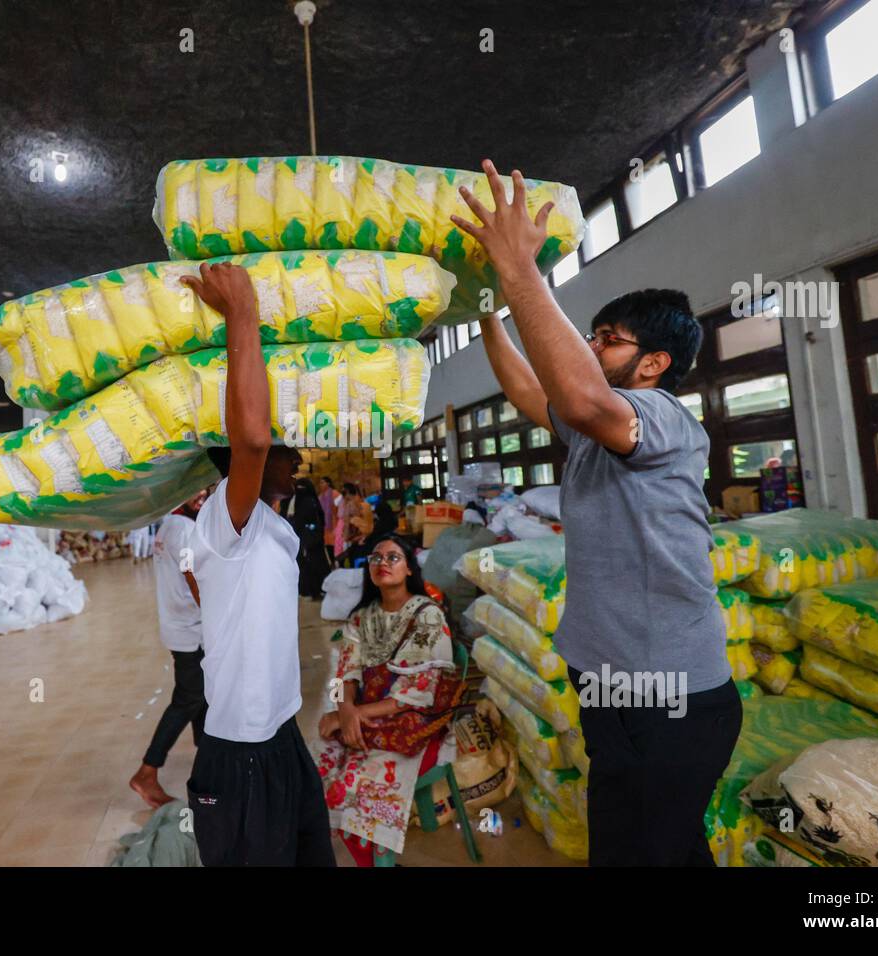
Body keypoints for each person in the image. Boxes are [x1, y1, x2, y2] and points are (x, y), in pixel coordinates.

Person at [458, 159, 740, 866]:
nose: (589, 347)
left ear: (653, 363)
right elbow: (534, 392)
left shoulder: (662, 416)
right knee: (627, 843)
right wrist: (485, 315)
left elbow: (581, 398)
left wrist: (522, 269)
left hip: (671, 698)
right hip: (613, 686)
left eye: (608, 337)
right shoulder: (593, 435)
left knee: (653, 851)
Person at [180, 261, 336, 867]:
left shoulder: (269, 524)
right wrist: (242, 314)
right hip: (239, 746)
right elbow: (249, 439)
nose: (294, 457)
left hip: (281, 729)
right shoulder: (224, 514)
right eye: (284, 447)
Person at [313, 533, 461, 865]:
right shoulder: (362, 618)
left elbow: (416, 693)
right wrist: (344, 709)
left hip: (414, 727)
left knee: (355, 789)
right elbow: (345, 672)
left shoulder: (427, 616)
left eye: (393, 557)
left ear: (409, 569)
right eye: (376, 558)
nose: (382, 564)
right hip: (368, 717)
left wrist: (351, 715)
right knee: (317, 760)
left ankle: (371, 856)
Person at [129, 489, 211, 809]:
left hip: (179, 627)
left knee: (203, 698)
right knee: (188, 699)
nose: (202, 496)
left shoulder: (168, 527)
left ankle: (207, 769)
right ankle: (147, 772)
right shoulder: (187, 530)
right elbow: (195, 580)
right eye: (196, 490)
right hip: (192, 631)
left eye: (206, 489)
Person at [285, 478, 330, 599]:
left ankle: (313, 590)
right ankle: (310, 590)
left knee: (311, 564)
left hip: (308, 540)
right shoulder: (310, 501)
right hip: (309, 539)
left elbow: (302, 520)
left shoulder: (306, 502)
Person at [317, 476, 339, 566]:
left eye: (323, 482)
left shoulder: (335, 494)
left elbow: (340, 507)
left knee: (335, 545)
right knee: (328, 545)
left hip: (335, 524)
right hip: (325, 526)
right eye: (320, 483)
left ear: (328, 483)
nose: (321, 485)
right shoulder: (320, 497)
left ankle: (336, 562)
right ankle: (332, 563)